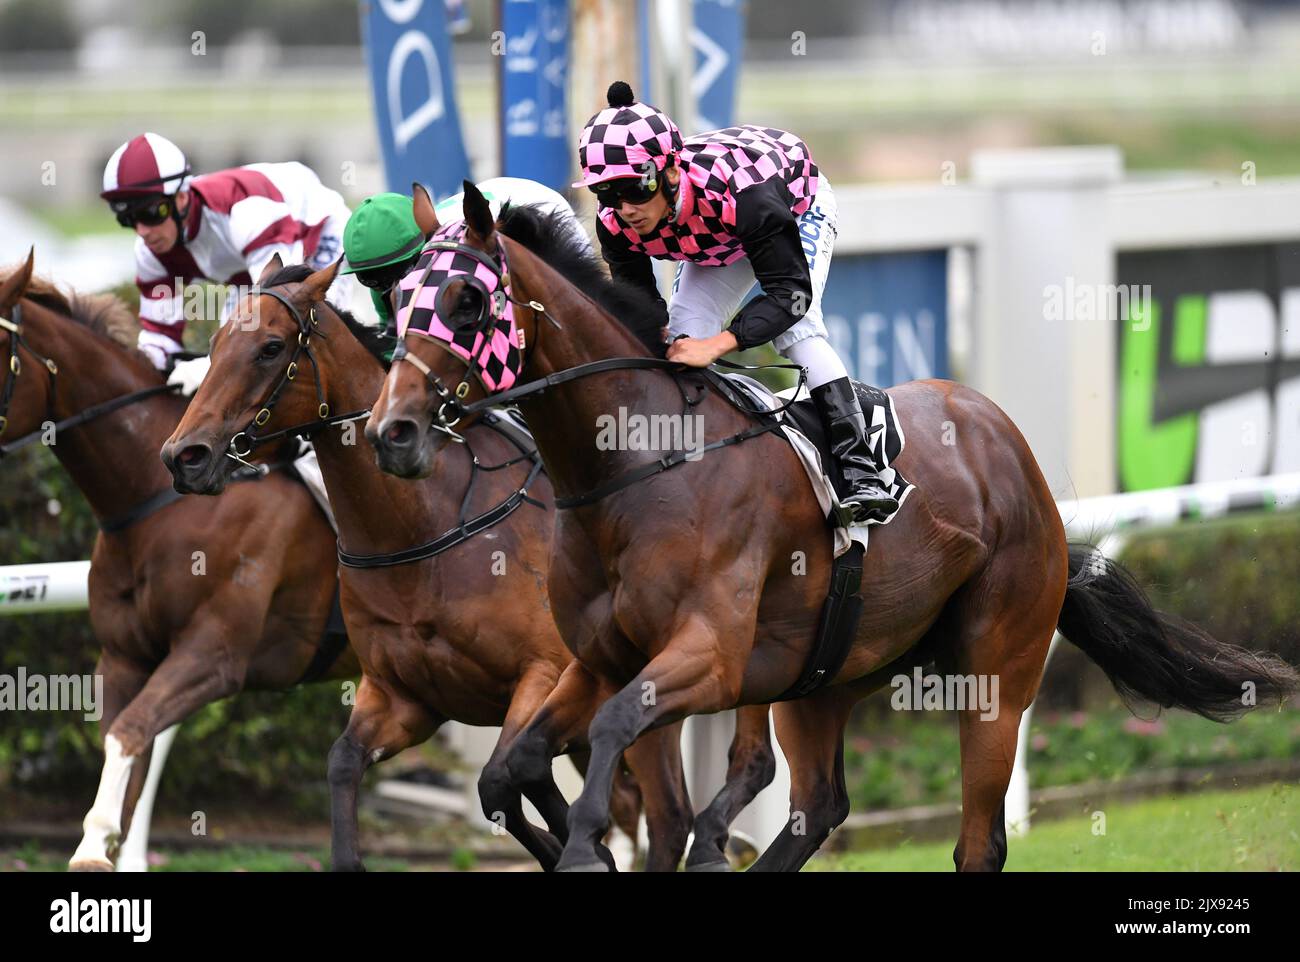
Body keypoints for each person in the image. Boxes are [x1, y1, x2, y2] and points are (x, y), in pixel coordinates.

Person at [573, 82, 898, 523]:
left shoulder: (749, 195)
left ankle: (863, 471)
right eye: (607, 193)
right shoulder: (615, 221)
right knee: (682, 335)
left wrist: (720, 344)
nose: (625, 207)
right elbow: (643, 308)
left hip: (789, 208)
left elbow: (791, 295)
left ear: (670, 171)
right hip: (716, 236)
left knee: (793, 329)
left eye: (635, 187)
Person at [100, 132, 356, 392]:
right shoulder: (149, 251)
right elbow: (160, 338)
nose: (142, 231)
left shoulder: (247, 212)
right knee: (230, 349)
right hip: (251, 271)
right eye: (129, 219)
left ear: (181, 197)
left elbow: (283, 311)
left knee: (316, 326)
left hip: (317, 232)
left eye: (151, 213)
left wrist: (205, 368)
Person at [340, 177, 587, 361]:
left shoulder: (460, 254)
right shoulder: (385, 281)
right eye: (371, 279)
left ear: (421, 250)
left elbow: (495, 320)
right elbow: (397, 349)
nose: (389, 286)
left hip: (539, 215)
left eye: (397, 273)